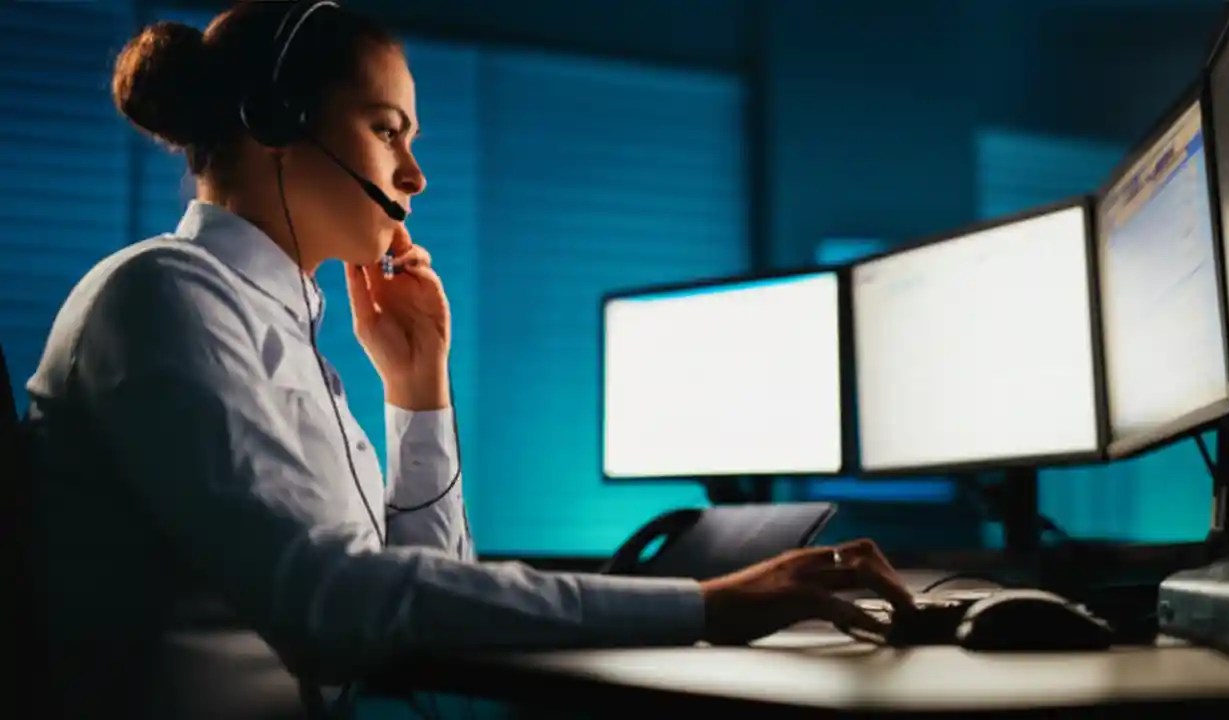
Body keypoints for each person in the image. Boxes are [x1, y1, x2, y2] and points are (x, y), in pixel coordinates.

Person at [23, 1, 915, 716]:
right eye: (387, 130)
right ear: (279, 123)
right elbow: (333, 607)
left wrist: (418, 390)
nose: (415, 176)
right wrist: (712, 605)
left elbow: (424, 591)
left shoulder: (285, 331)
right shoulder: (162, 295)